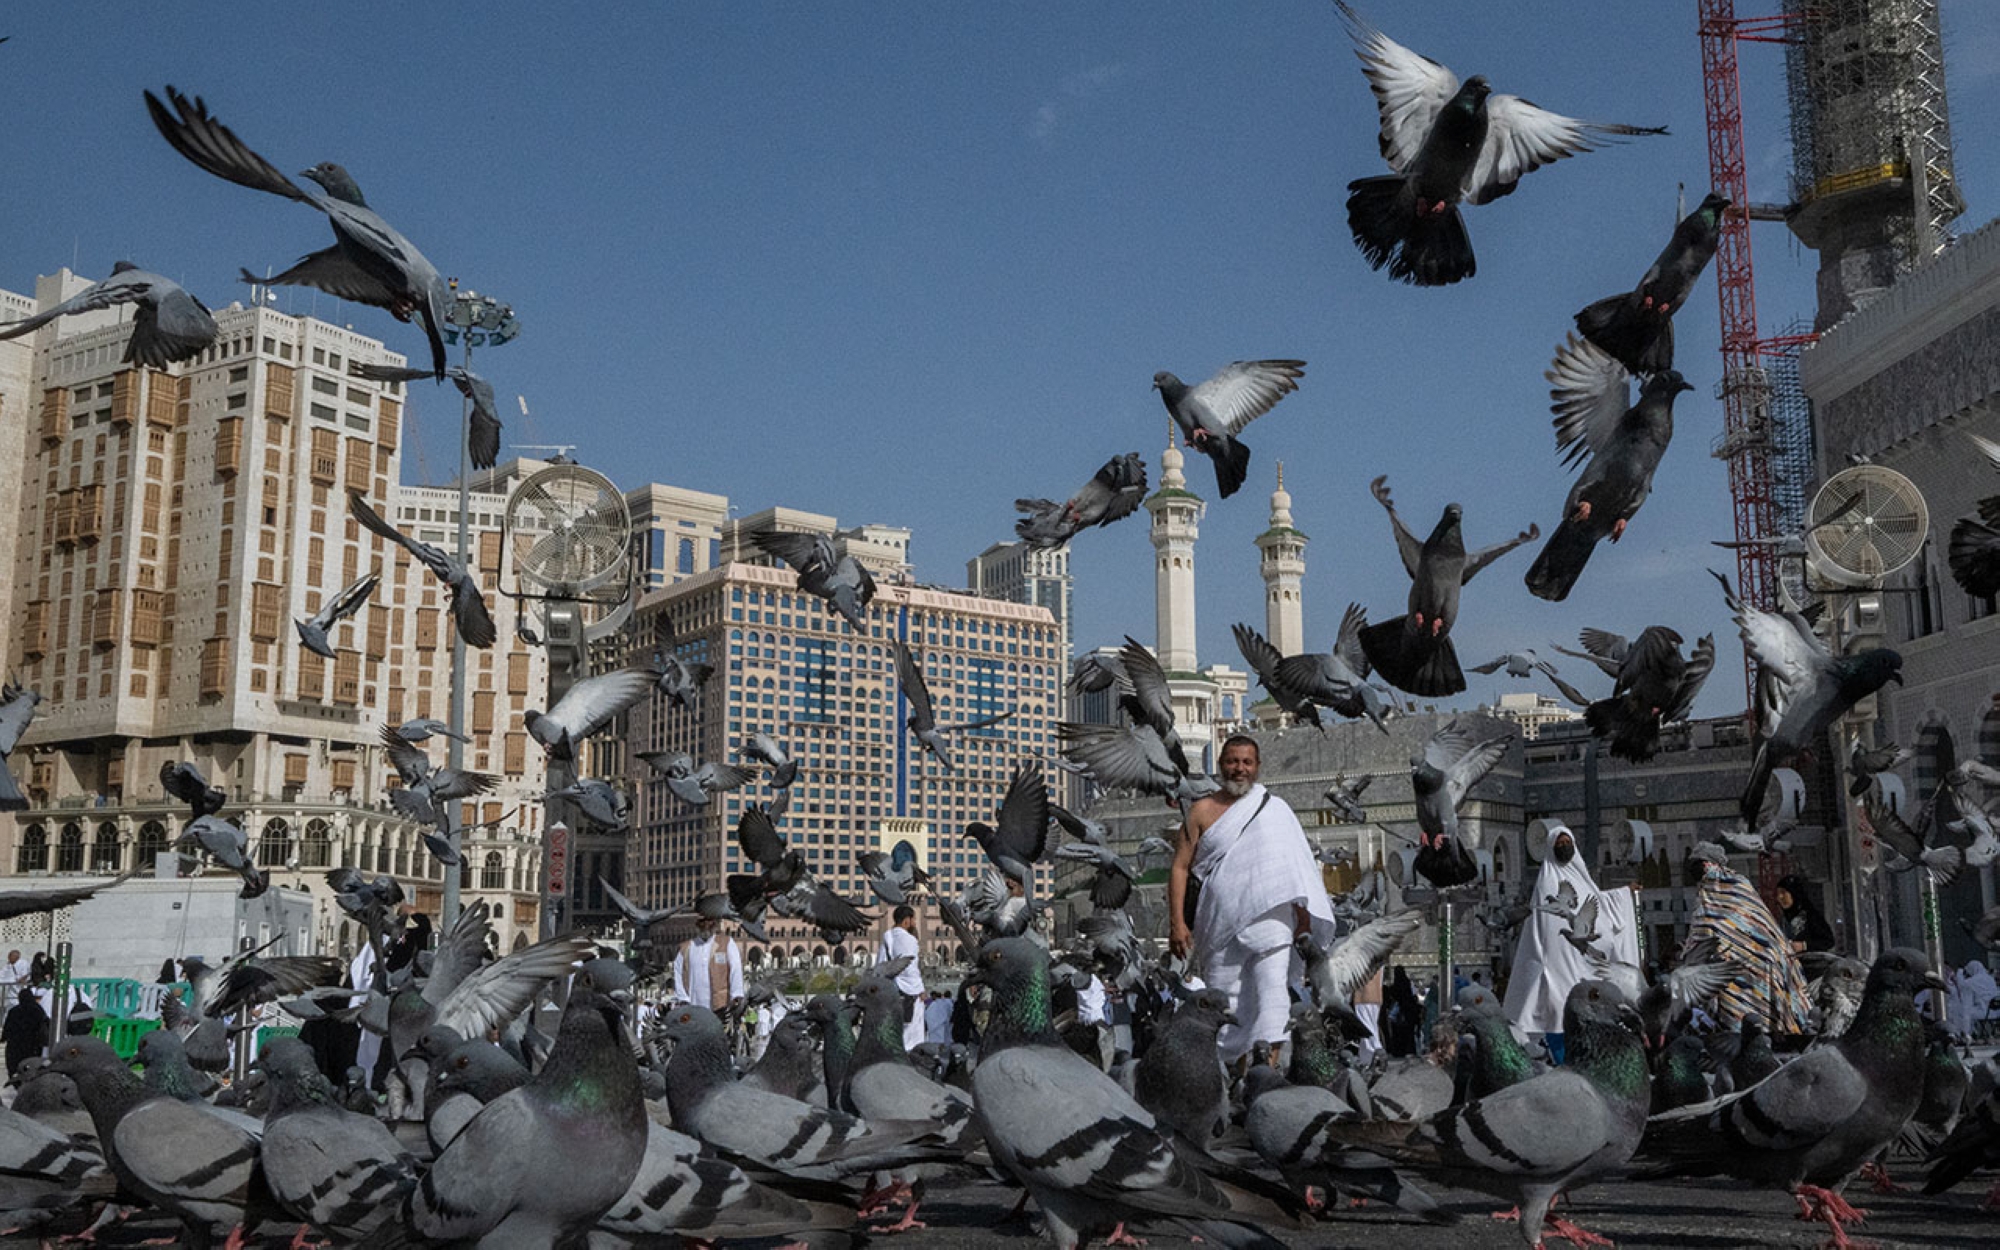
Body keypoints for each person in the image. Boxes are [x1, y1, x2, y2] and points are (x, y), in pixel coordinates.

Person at [1168, 734, 1337, 1063]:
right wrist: (1177, 923)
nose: (1239, 769)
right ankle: (1226, 1072)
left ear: (1257, 767)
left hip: (1272, 922)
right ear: (1220, 766)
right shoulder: (1201, 811)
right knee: (1222, 1000)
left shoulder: (1276, 810)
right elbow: (1180, 867)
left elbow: (1296, 868)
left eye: (1246, 762)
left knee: (1272, 997)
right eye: (1232, 761)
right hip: (1217, 923)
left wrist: (1302, 917)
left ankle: (1267, 1074)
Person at [1502, 825, 1640, 1065]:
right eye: (1559, 843)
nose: (1564, 847)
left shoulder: (1581, 879)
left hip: (1584, 965)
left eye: (1568, 843)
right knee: (1557, 1013)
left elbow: (1600, 902)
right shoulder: (1546, 881)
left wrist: (1625, 893)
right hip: (1555, 966)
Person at [1682, 850, 1809, 1036]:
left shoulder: (1709, 893)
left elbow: (1701, 940)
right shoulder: (1740, 884)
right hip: (1766, 965)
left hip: (1746, 972)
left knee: (1741, 1031)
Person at [672, 915, 745, 1023]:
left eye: (709, 923)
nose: (706, 926)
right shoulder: (687, 947)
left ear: (714, 924)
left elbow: (736, 969)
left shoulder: (726, 943)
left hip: (720, 1005)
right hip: (694, 1004)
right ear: (697, 925)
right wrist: (683, 998)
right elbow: (678, 972)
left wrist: (736, 993)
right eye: (703, 923)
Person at [875, 905, 926, 1050]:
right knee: (911, 1030)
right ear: (906, 921)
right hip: (909, 991)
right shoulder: (908, 940)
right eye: (913, 919)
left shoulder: (887, 936)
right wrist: (921, 989)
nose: (915, 922)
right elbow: (910, 969)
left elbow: (880, 963)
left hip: (891, 989)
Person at [1774, 874, 1835, 954]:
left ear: (1794, 893)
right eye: (1778, 894)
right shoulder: (1783, 920)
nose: (1780, 897)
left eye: (1783, 892)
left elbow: (1828, 942)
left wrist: (1804, 946)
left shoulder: (1811, 915)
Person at [2, 988, 49, 1082]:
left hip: (15, 1047)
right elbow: (44, 1026)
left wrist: (3, 1038)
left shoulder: (14, 1011)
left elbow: (7, 1029)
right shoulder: (38, 1011)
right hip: (33, 1047)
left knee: (14, 1068)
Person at [1383, 968, 1424, 1057]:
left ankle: (1399, 1051)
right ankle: (1409, 1050)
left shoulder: (1395, 986)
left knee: (1398, 1033)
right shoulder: (1408, 984)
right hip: (1409, 1012)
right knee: (1409, 1033)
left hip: (1400, 1012)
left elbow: (1394, 997)